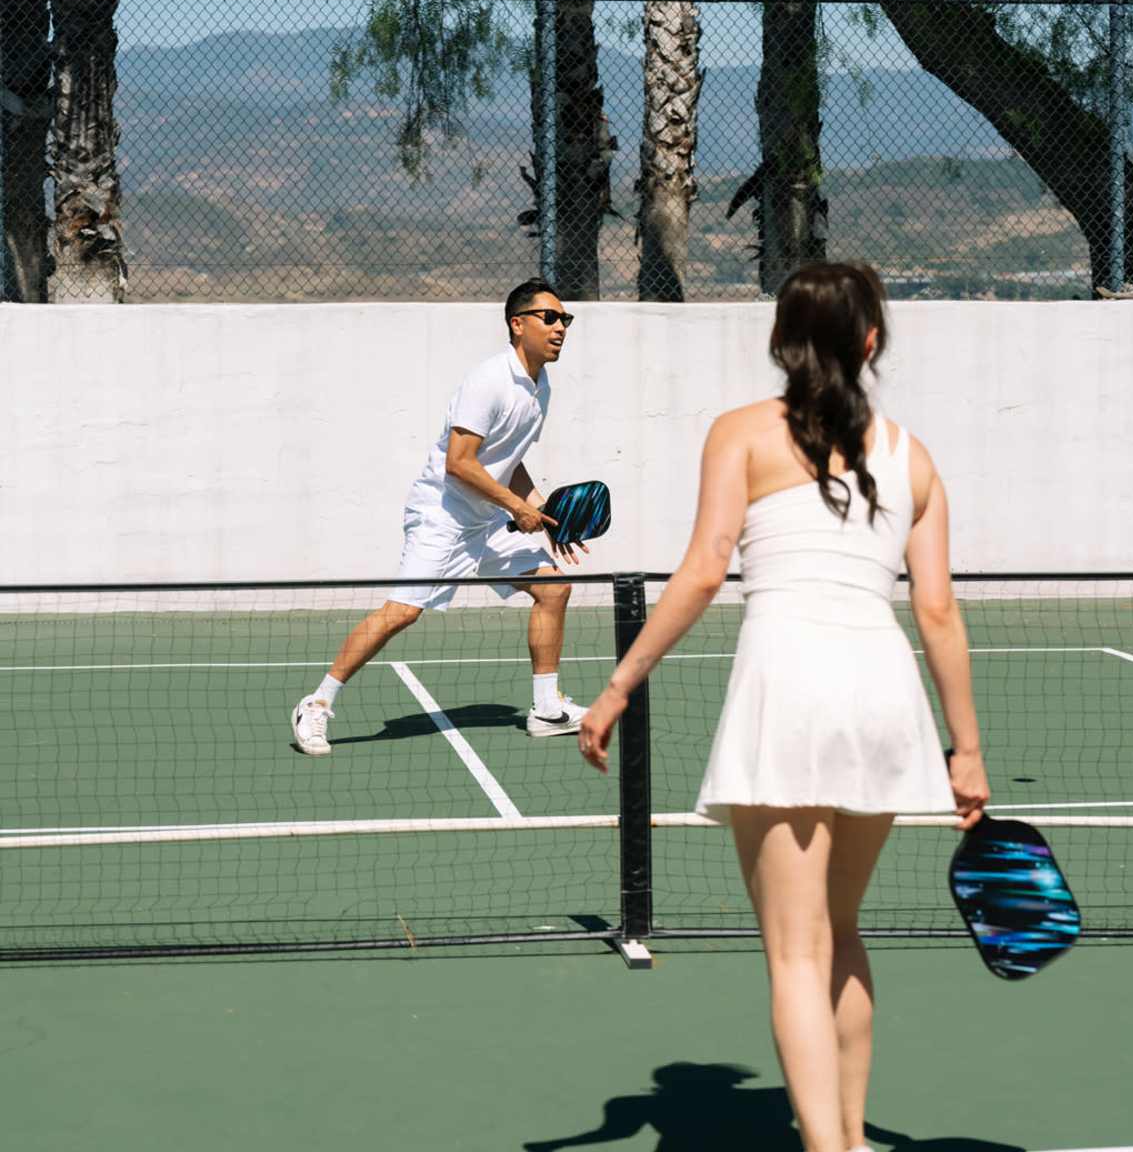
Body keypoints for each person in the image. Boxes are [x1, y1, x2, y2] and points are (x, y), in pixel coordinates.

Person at [578, 263, 990, 1152]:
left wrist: (617, 686)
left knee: (797, 953)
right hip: (884, 697)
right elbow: (939, 613)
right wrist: (966, 752)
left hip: (790, 687)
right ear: (871, 341)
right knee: (841, 935)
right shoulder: (914, 459)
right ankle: (844, 1139)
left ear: (781, 340)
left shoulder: (739, 434)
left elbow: (701, 568)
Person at [291, 278, 591, 756]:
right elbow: (461, 462)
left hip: (487, 517)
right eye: (549, 318)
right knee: (403, 612)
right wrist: (518, 508)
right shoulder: (490, 380)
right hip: (444, 514)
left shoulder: (540, 387)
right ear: (518, 325)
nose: (561, 328)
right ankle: (316, 704)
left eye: (565, 320)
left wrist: (545, 511)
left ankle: (546, 709)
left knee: (553, 589)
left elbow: (506, 462)